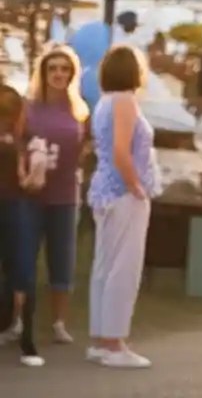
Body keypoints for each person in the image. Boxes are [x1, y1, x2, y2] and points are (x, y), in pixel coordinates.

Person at [86, 45, 157, 368]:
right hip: (122, 193)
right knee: (123, 267)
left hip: (103, 191)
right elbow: (121, 150)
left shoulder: (104, 102)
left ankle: (101, 338)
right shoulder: (125, 101)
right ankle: (114, 343)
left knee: (104, 265)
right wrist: (136, 186)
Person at [22, 45, 90, 346]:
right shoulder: (28, 108)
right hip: (30, 195)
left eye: (65, 69)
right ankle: (16, 320)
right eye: (53, 68)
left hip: (65, 196)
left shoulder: (79, 111)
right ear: (43, 72)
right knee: (23, 259)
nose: (59, 74)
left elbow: (86, 147)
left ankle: (59, 323)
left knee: (62, 260)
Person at [0, 85, 40, 366]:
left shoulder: (25, 139)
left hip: (17, 205)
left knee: (23, 272)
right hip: (14, 205)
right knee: (16, 272)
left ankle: (27, 339)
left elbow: (28, 178)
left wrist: (32, 176)